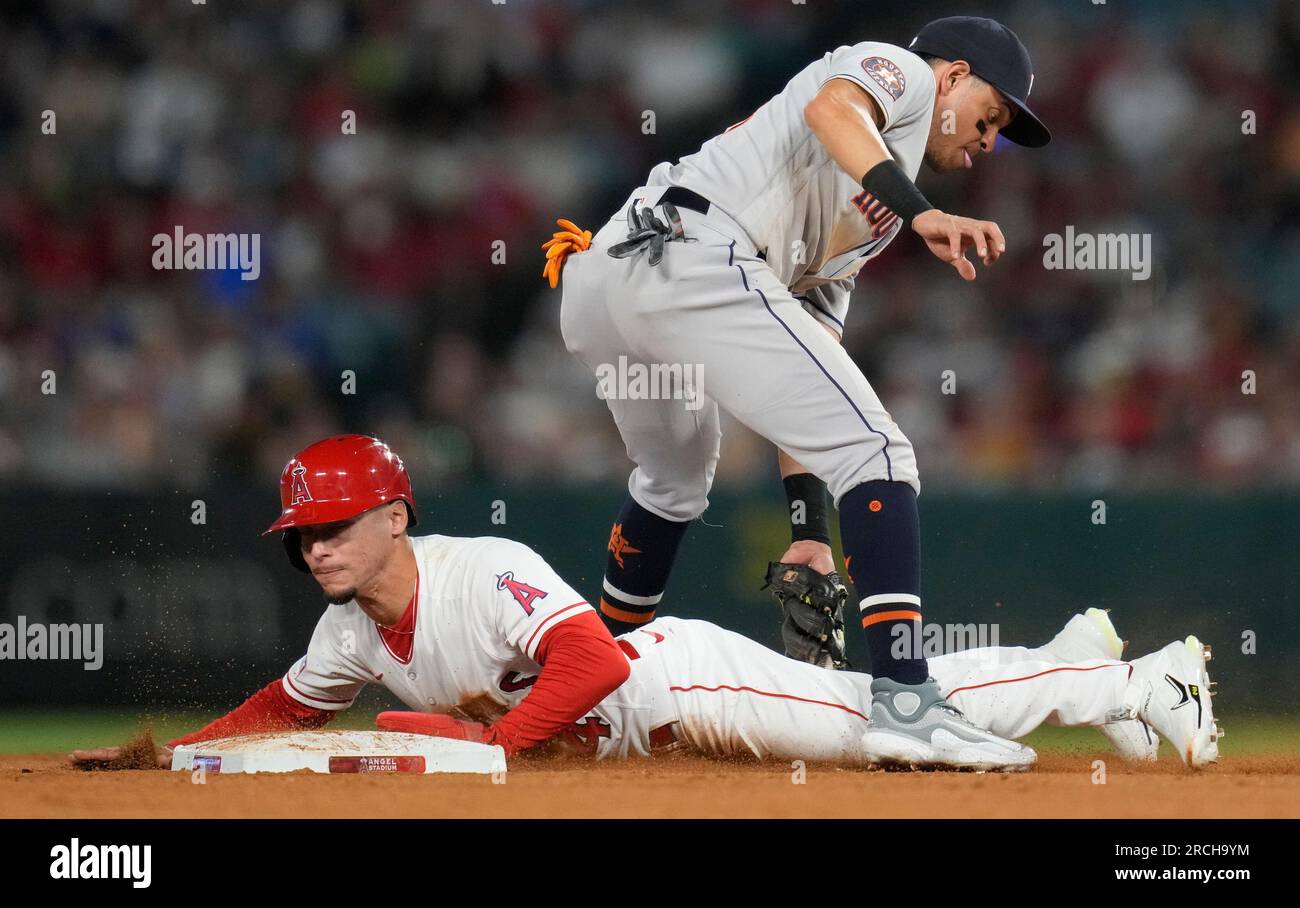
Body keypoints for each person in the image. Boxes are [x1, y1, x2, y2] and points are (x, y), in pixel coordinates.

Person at [541, 15, 1058, 767]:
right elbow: (832, 109)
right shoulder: (901, 72)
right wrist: (925, 215)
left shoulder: (867, 221)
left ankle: (590, 693)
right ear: (952, 77)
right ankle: (907, 700)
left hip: (618, 279)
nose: (989, 142)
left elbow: (811, 363)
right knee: (882, 451)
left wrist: (807, 530)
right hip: (692, 252)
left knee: (675, 479)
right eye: (991, 117)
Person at [71, 436, 1221, 772]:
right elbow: (286, 710)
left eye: (330, 523)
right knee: (874, 705)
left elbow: (598, 663)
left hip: (677, 676)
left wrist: (490, 749)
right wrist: (174, 756)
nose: (312, 544)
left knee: (886, 729)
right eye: (300, 533)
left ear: (391, 517)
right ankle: (1079, 660)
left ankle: (1137, 675)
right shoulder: (347, 627)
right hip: (638, 733)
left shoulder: (481, 568)